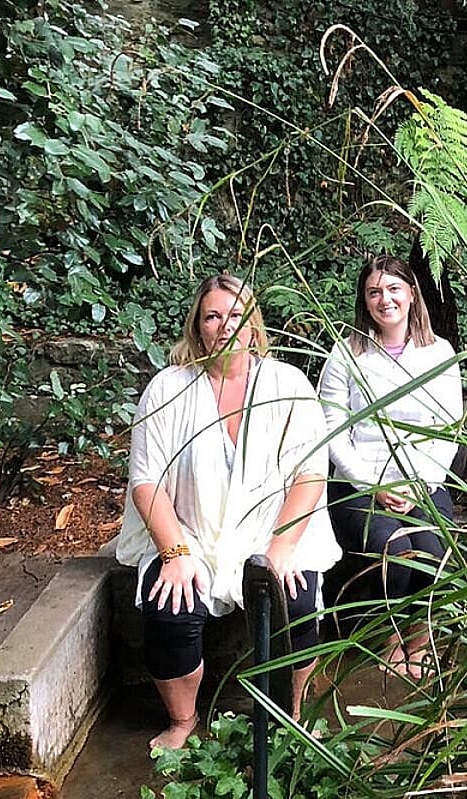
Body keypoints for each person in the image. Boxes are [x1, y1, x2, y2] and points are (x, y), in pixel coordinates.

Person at [117, 274, 340, 749]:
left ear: (253, 326)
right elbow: (146, 482)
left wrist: (282, 546)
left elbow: (310, 474)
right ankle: (182, 720)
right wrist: (175, 552)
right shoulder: (167, 388)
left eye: (235, 315)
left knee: (298, 604)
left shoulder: (287, 383)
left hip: (273, 532)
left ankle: (296, 714)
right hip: (188, 533)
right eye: (213, 316)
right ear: (198, 328)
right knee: (169, 608)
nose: (225, 326)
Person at [318, 255, 463, 680]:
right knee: (396, 552)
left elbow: (448, 427)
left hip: (423, 483)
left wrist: (422, 484)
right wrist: (372, 484)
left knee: (434, 555)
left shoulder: (439, 353)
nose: (386, 299)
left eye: (394, 289)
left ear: (412, 293)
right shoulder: (346, 353)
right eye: (374, 292)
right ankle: (391, 638)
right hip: (359, 486)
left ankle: (419, 637)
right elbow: (332, 427)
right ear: (365, 302)